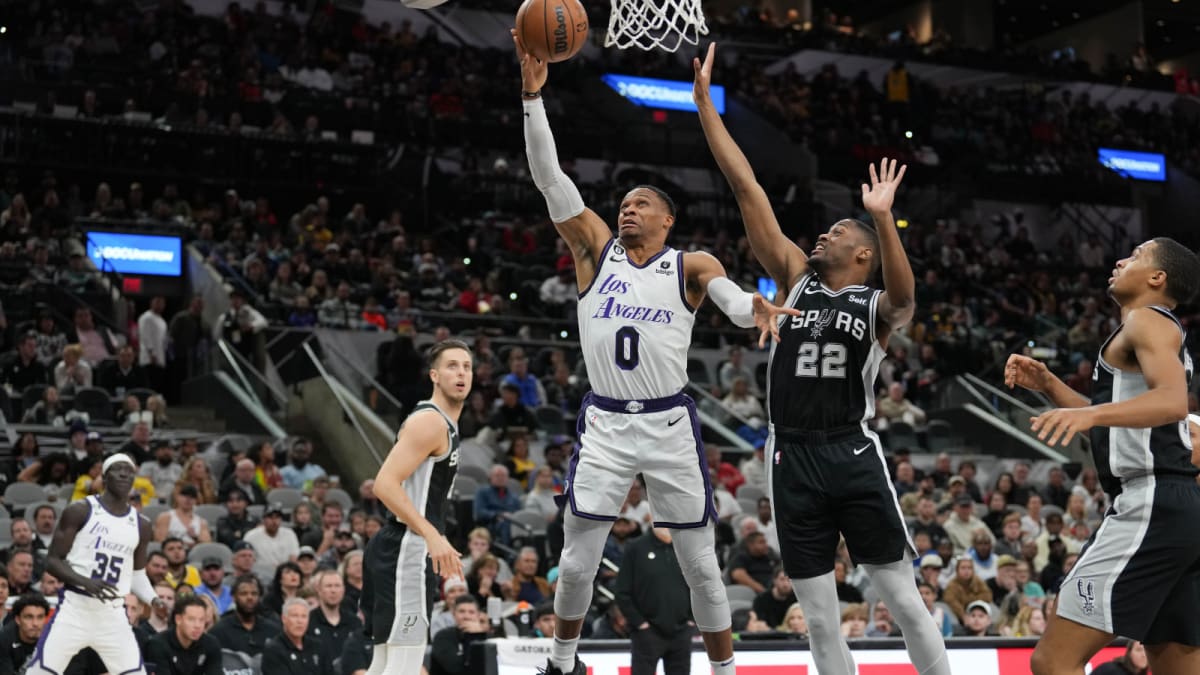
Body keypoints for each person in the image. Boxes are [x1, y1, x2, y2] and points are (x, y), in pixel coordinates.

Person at [514, 35, 797, 675]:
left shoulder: (688, 263)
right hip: (607, 422)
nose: (627, 209)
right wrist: (532, 98)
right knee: (578, 560)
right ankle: (561, 663)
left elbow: (727, 295)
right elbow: (550, 179)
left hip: (669, 422)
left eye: (641, 204)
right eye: (624, 203)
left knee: (700, 564)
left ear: (668, 220)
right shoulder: (595, 249)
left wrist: (751, 307)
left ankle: (723, 670)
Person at [694, 43, 948, 675]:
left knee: (904, 600)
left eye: (837, 233)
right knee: (819, 618)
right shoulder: (795, 278)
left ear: (862, 255)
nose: (823, 234)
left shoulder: (873, 303)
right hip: (790, 454)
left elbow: (906, 299)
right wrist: (706, 111)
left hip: (851, 451)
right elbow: (747, 188)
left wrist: (882, 219)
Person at [1007, 238, 1200, 675]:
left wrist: (1091, 414)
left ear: (1157, 278)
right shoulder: (1148, 330)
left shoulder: (1147, 319)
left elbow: (1171, 402)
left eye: (1136, 255)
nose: (1120, 260)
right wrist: (1052, 386)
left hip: (1151, 503)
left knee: (1053, 661)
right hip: (1177, 510)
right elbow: (1129, 420)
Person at [360, 339, 472, 675]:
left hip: (401, 547)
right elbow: (384, 484)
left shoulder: (445, 423)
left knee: (385, 664)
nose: (461, 373)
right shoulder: (430, 422)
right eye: (452, 366)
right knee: (405, 666)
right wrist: (432, 534)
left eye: (466, 367)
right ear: (434, 375)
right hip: (407, 548)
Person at [23, 455, 161, 675]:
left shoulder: (141, 525)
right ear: (104, 477)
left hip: (113, 614)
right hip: (75, 609)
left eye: (129, 471)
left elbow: (136, 574)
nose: (124, 474)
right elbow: (52, 561)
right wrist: (85, 582)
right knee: (40, 672)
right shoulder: (80, 510)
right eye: (118, 469)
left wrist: (154, 599)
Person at [614, 524, 695, 675]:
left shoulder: (687, 547)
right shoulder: (636, 547)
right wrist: (640, 623)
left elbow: (700, 587)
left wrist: (691, 620)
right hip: (647, 633)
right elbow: (622, 591)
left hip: (681, 632)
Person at [142, 594, 223, 675]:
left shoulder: (211, 643)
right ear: (178, 619)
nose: (197, 625)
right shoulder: (158, 644)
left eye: (201, 620)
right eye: (191, 619)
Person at [209, 575, 280, 657]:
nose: (249, 598)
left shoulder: (273, 630)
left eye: (254, 593)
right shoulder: (219, 631)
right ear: (233, 597)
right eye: (243, 594)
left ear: (260, 597)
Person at [261, 598, 333, 675]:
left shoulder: (318, 646)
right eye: (295, 616)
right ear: (284, 619)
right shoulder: (274, 650)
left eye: (304, 616)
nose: (300, 621)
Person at [0, 594, 49, 675]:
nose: (35, 623)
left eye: (40, 617)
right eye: (29, 617)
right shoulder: (4, 640)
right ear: (18, 619)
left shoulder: (53, 638)